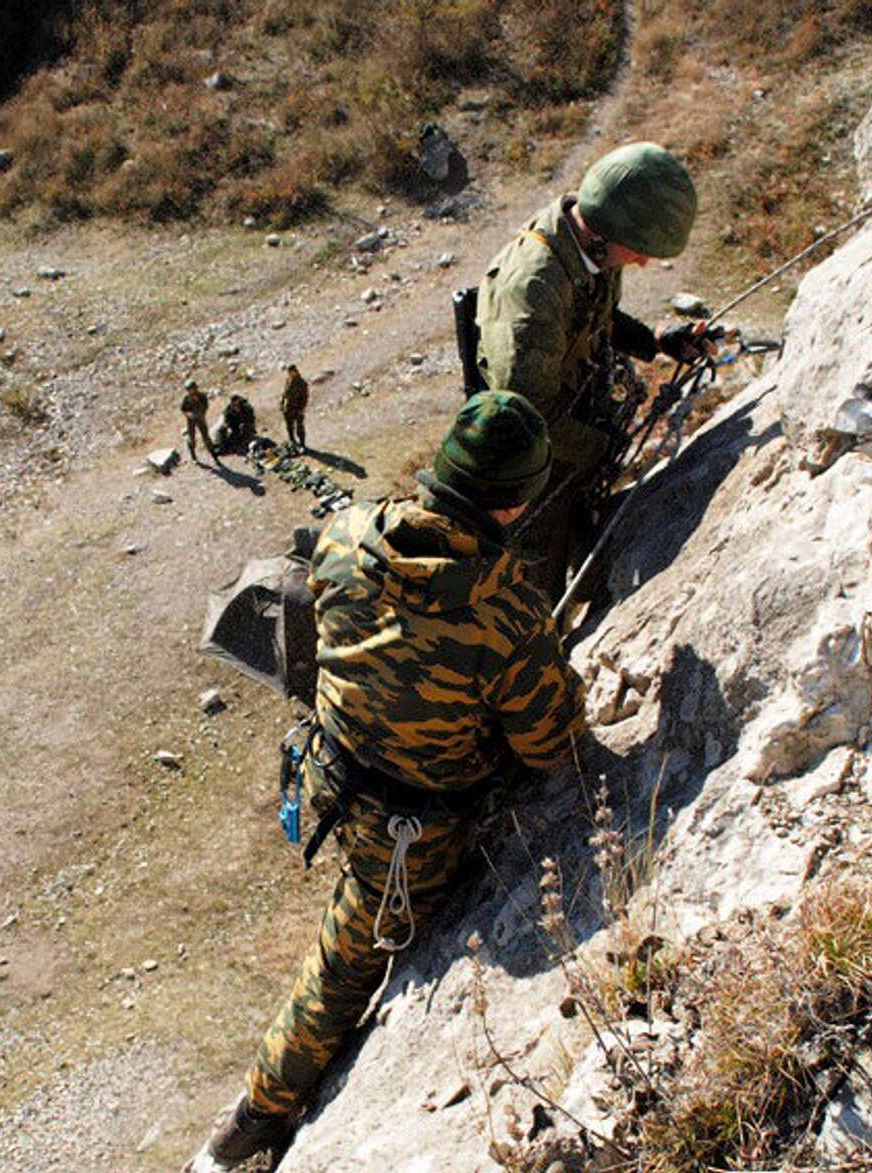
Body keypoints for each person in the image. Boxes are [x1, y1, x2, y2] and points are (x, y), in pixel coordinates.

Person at [187, 392, 586, 1171]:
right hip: (411, 835)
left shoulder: (346, 534)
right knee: (343, 967)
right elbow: (552, 743)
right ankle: (251, 1120)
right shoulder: (504, 609)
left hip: (334, 773)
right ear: (514, 502)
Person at [473, 141, 715, 593]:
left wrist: (656, 341)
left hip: (570, 441)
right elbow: (525, 414)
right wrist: (601, 447)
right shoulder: (533, 288)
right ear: (605, 233)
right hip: (529, 471)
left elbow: (595, 316)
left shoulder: (588, 246)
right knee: (535, 593)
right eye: (638, 249)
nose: (642, 261)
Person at [180, 379, 217, 464]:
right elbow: (183, 409)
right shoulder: (186, 399)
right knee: (192, 438)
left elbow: (206, 406)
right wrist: (189, 414)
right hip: (191, 421)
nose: (191, 391)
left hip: (200, 419)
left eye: (192, 389)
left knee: (206, 438)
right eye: (189, 389)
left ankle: (214, 455)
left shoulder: (202, 396)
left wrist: (202, 414)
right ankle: (193, 455)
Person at [279, 363, 310, 453]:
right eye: (288, 372)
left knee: (299, 428)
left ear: (295, 371)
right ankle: (292, 441)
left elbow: (304, 398)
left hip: (297, 408)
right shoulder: (288, 380)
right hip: (288, 407)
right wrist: (282, 403)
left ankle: (302, 444)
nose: (289, 374)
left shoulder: (302, 383)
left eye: (290, 372)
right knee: (289, 426)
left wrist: (301, 409)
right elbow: (285, 393)